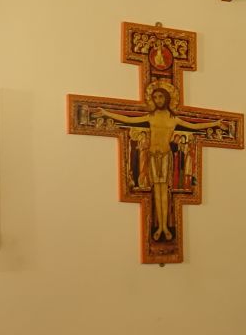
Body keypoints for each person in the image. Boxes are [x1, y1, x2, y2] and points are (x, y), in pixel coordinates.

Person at [89, 86, 226, 242]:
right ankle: (160, 226)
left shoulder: (174, 119)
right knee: (157, 192)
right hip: (153, 156)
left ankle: (164, 226)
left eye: (161, 96)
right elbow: (128, 119)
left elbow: (194, 126)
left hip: (166, 156)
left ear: (167, 98)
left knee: (164, 193)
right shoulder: (151, 116)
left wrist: (215, 123)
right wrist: (107, 113)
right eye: (156, 97)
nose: (158, 100)